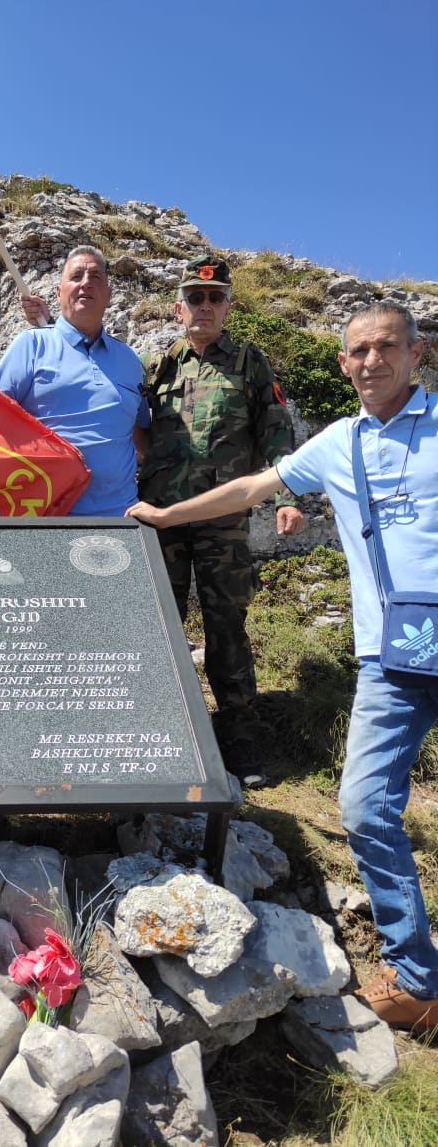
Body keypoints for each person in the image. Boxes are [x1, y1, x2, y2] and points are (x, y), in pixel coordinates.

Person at [127, 300, 438, 1030]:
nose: (371, 361)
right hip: (390, 661)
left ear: (416, 352)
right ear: (342, 364)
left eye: (386, 347)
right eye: (358, 351)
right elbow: (250, 488)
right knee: (364, 809)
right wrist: (170, 516)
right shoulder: (336, 443)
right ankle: (419, 980)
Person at [22, 254, 303, 787]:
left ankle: (240, 737)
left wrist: (286, 495)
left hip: (223, 518)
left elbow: (276, 433)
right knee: (157, 628)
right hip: (159, 519)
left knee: (227, 629)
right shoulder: (155, 365)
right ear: (179, 307)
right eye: (195, 298)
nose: (205, 305)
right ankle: (163, 726)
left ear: (227, 307)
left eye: (215, 297)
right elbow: (104, 393)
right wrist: (43, 330)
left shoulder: (249, 362)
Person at [0, 246, 150, 516]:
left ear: (109, 295)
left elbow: (141, 436)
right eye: (76, 276)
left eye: (96, 277)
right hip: (46, 519)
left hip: (121, 519)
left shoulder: (129, 360)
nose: (86, 283)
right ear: (59, 292)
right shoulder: (31, 345)